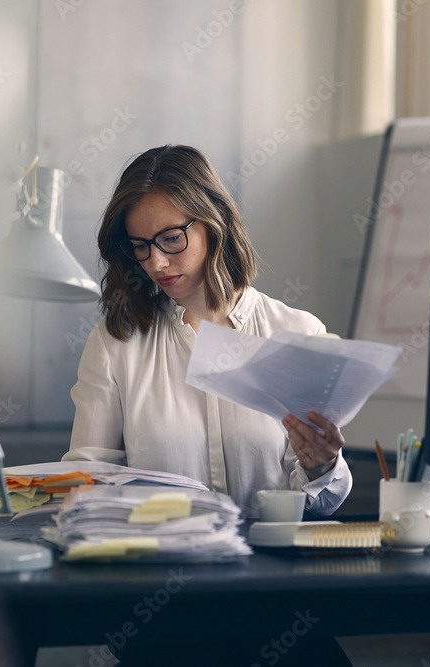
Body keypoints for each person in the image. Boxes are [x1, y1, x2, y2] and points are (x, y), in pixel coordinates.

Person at [64, 144, 353, 519]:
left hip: (270, 554)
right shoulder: (115, 342)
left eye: (171, 238)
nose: (156, 262)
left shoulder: (297, 333)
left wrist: (320, 466)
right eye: (140, 246)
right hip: (158, 551)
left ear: (215, 222)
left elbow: (322, 502)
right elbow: (87, 480)